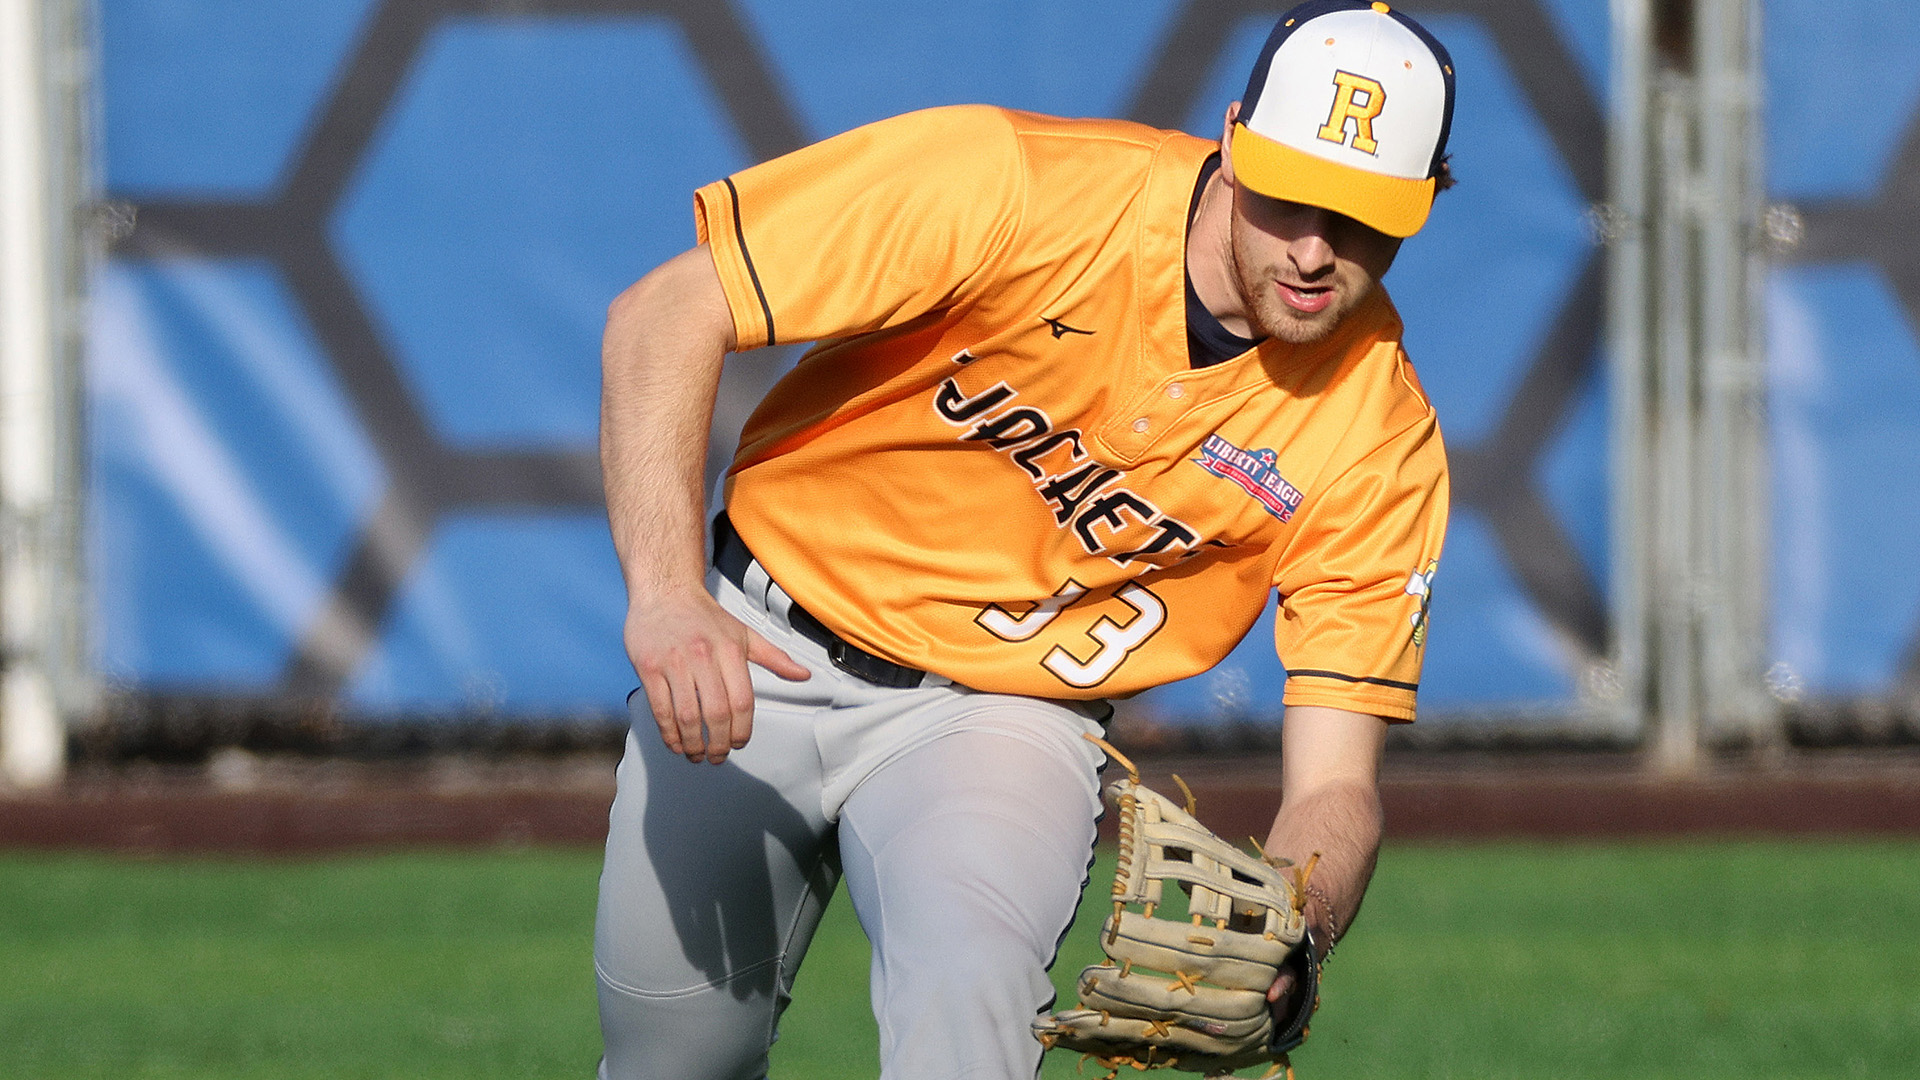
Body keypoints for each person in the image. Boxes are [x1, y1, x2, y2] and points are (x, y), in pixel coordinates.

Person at [593, 2, 1455, 1077]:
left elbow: (1335, 784)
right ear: (1235, 144)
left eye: (1366, 216)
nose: (1317, 250)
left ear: (1429, 204)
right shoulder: (1016, 184)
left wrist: (1292, 926)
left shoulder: (1380, 434)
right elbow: (665, 314)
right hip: (760, 647)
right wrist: (668, 595)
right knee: (675, 1059)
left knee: (974, 999)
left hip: (1004, 717)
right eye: (1291, 197)